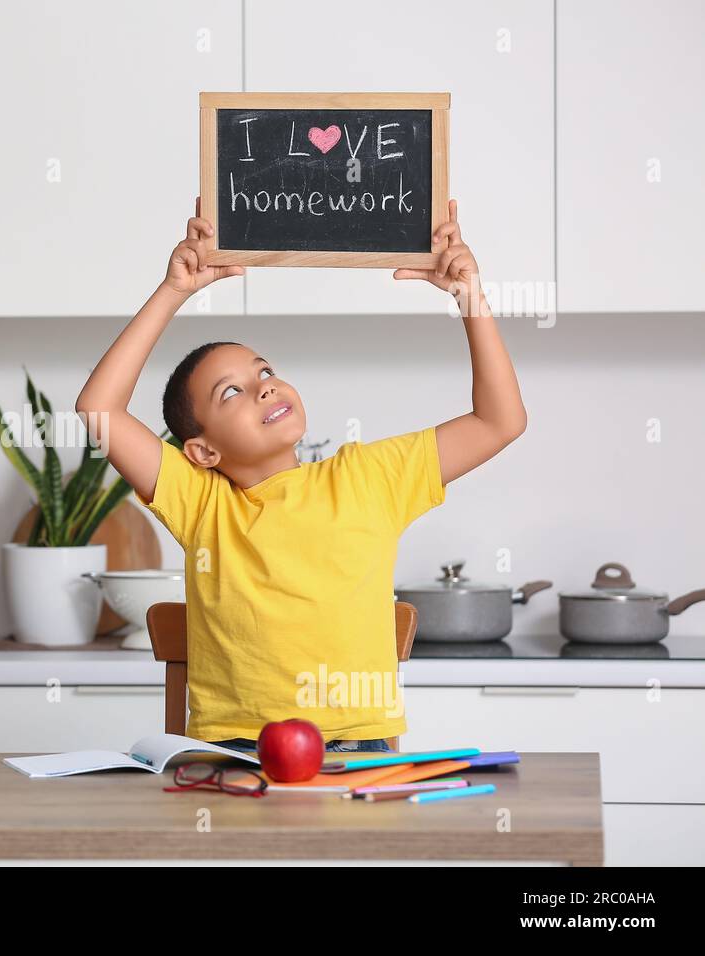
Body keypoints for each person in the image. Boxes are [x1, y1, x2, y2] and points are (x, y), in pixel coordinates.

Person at [75, 197, 527, 754]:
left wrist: (469, 297)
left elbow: (501, 421)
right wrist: (175, 290)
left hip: (352, 752)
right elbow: (99, 408)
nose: (264, 385)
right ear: (203, 451)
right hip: (233, 754)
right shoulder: (202, 503)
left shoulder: (369, 477)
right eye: (232, 392)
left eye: (264, 370)